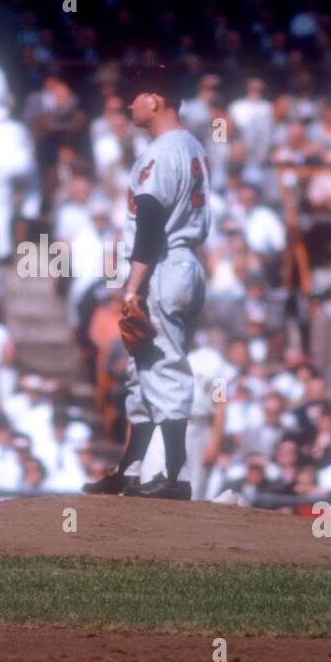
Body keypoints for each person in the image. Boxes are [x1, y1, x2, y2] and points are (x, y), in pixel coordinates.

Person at [84, 68, 211, 500]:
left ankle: (175, 476)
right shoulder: (191, 145)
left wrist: (133, 285)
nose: (127, 104)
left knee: (164, 365)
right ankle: (132, 466)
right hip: (184, 263)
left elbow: (152, 222)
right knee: (144, 369)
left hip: (163, 264)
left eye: (134, 97)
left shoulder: (162, 150)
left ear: (155, 100)